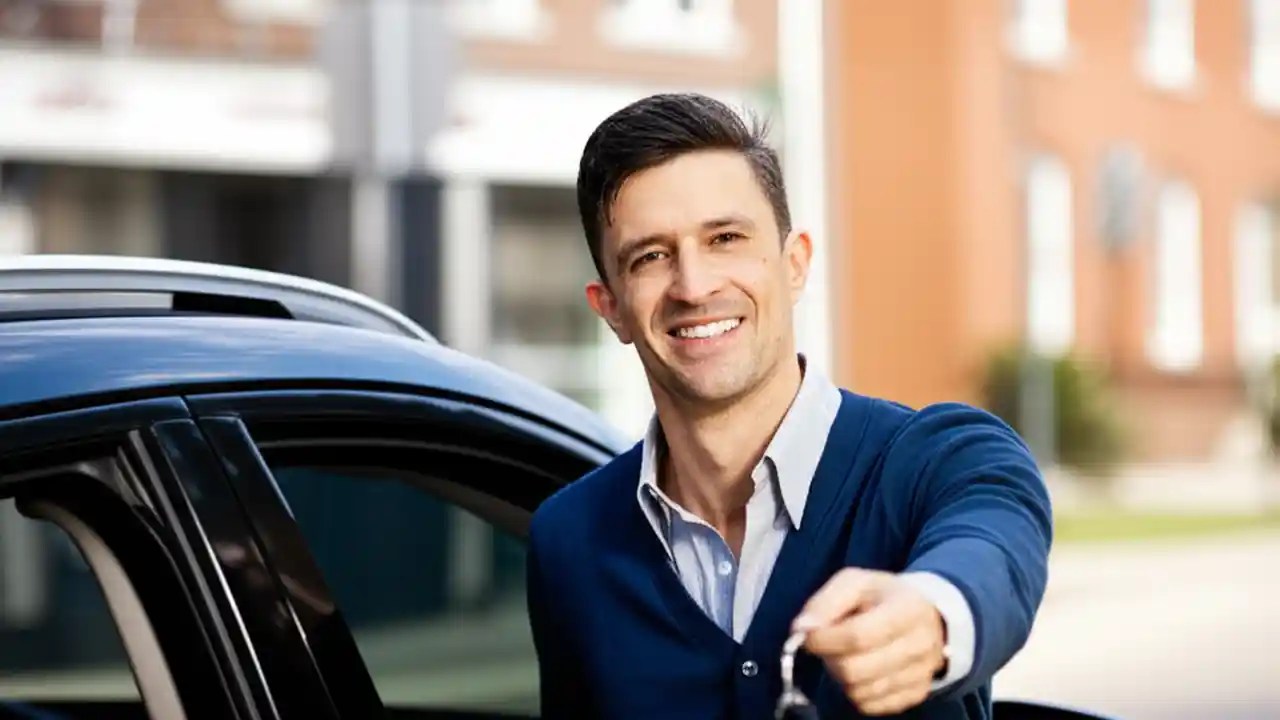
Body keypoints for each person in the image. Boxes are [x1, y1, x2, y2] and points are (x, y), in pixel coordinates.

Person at [525, 92, 1052, 719]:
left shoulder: (941, 459)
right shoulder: (568, 541)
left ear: (795, 264)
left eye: (725, 238)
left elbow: (996, 548)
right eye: (651, 257)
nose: (694, 287)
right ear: (610, 307)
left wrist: (934, 613)